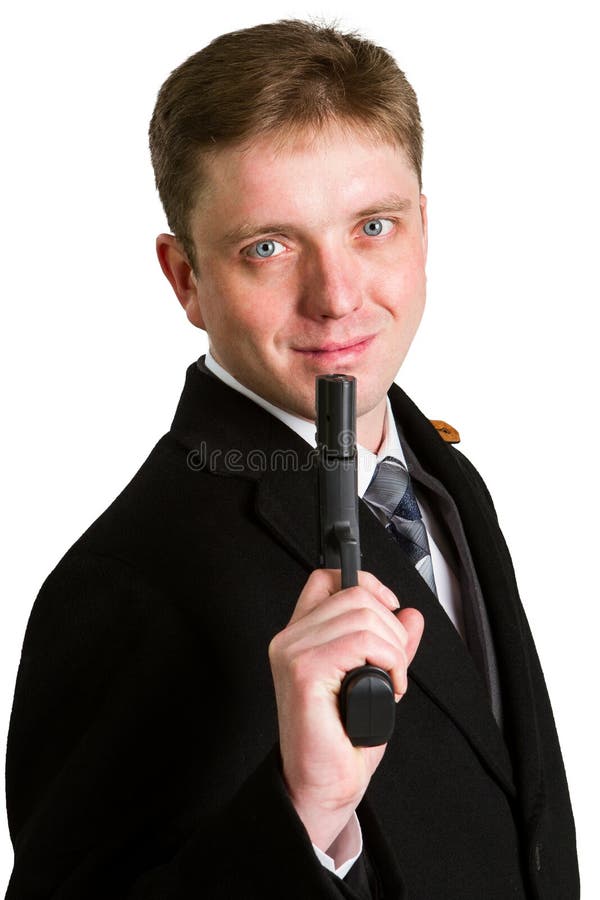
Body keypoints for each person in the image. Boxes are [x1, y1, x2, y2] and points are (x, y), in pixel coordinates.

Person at [4, 18, 578, 900]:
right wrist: (302, 813)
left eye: (373, 227)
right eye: (267, 247)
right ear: (185, 278)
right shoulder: (129, 583)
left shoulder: (439, 475)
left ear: (424, 227)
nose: (338, 296)